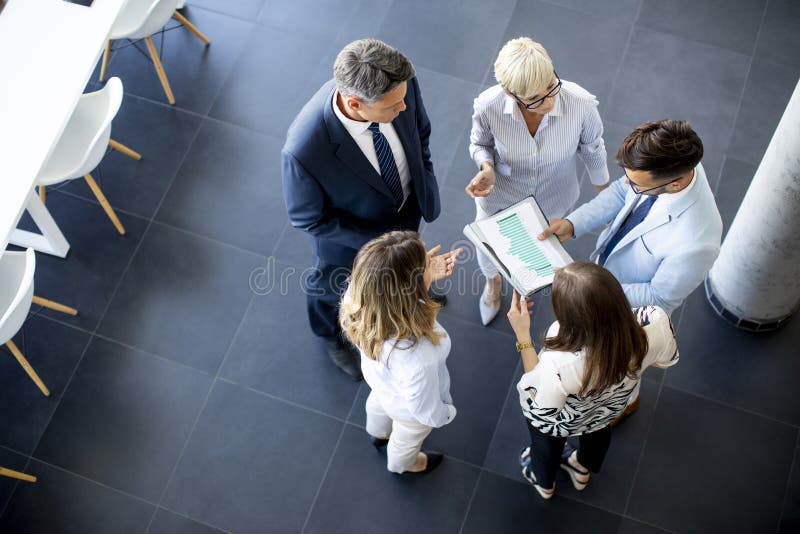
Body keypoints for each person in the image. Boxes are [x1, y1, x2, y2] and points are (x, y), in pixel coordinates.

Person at [538, 119, 721, 422]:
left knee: (619, 366)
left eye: (636, 183)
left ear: (674, 183)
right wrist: (573, 223)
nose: (626, 184)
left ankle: (624, 403)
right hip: (605, 280)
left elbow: (659, 298)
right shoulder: (666, 161)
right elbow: (621, 193)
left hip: (626, 311)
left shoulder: (698, 241)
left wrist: (592, 288)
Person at [282, 39, 442, 380]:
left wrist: (423, 175)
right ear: (355, 104)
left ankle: (415, 283)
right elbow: (307, 218)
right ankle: (330, 336)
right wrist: (381, 246)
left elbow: (420, 132)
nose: (403, 107)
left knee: (406, 265)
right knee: (331, 288)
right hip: (351, 241)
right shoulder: (304, 150)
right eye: (393, 106)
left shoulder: (400, 84)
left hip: (405, 207)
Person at [466, 37, 610, 325]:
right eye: (536, 99)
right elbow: (479, 143)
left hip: (554, 196)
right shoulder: (488, 105)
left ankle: (530, 279)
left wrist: (608, 201)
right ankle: (493, 284)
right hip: (501, 197)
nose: (550, 101)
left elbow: (593, 149)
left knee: (543, 246)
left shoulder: (580, 103)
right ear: (510, 93)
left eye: (551, 86)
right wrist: (486, 166)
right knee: (491, 249)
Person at [506, 262, 678, 499]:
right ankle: (581, 468)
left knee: (546, 444)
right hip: (608, 408)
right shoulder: (655, 320)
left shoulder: (561, 357)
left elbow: (541, 406)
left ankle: (544, 483)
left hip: (564, 419)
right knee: (597, 432)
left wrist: (522, 334)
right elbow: (664, 360)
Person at [340, 231, 461, 475]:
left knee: (378, 404)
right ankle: (404, 465)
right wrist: (447, 414)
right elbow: (425, 411)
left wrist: (417, 274)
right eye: (426, 262)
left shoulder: (359, 295)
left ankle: (378, 434)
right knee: (407, 440)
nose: (430, 260)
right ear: (410, 287)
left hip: (379, 380)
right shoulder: (419, 356)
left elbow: (393, 289)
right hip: (408, 410)